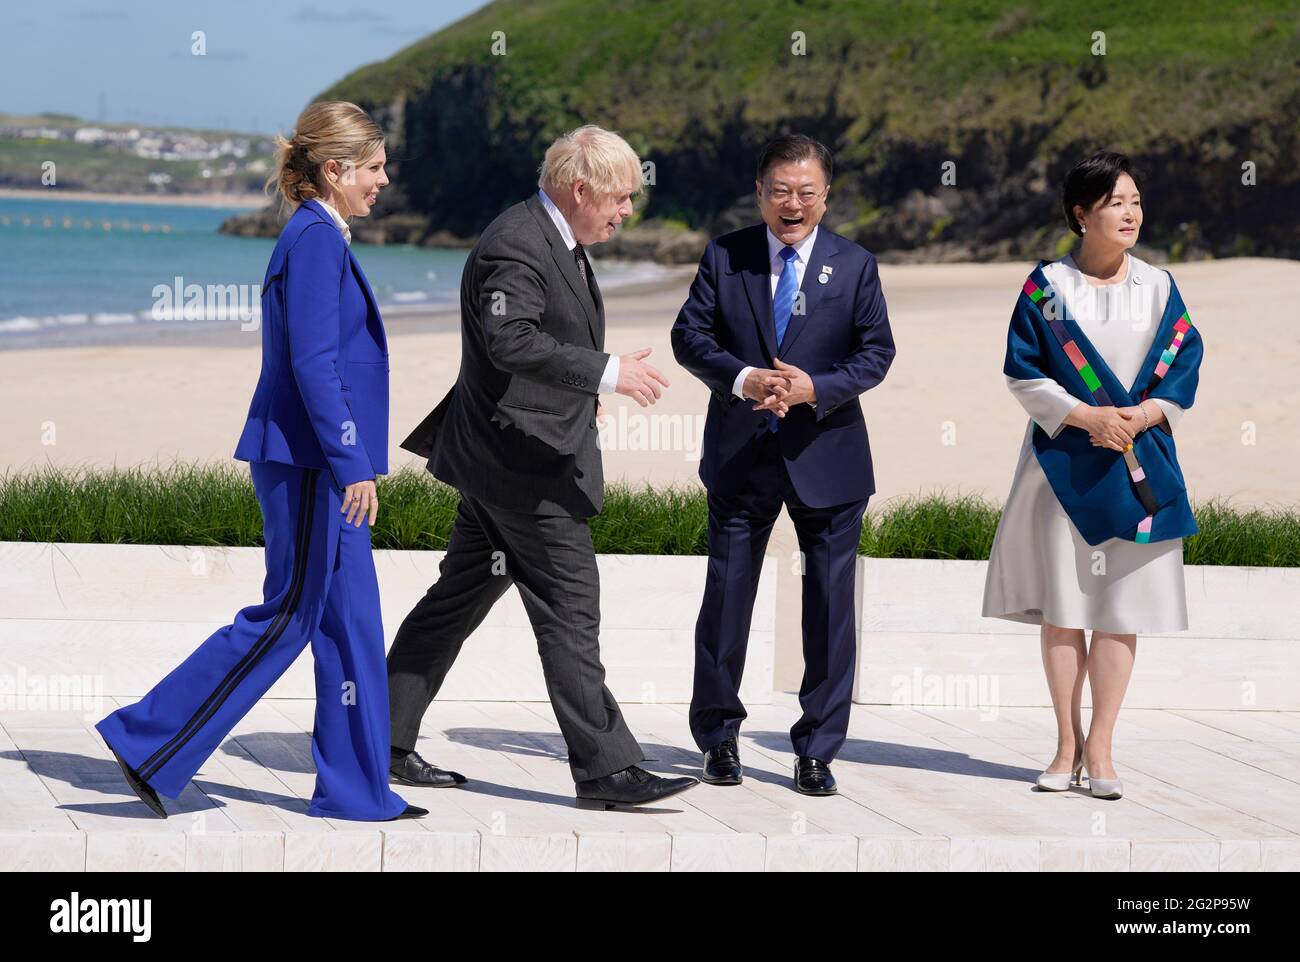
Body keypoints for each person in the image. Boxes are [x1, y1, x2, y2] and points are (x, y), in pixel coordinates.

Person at [95, 101, 423, 821]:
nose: (384, 180)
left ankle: (358, 791)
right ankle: (147, 739)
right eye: (374, 168)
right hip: (311, 463)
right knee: (288, 618)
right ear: (334, 171)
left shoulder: (321, 233)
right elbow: (312, 361)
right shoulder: (315, 240)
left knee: (353, 627)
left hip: (324, 464)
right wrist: (351, 461)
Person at [390, 125, 698, 809]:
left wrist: (582, 393)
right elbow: (510, 340)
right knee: (570, 607)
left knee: (455, 602)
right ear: (579, 189)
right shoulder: (517, 241)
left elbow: (541, 344)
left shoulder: (559, 239)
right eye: (618, 200)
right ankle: (606, 769)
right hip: (519, 465)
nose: (625, 213)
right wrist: (608, 374)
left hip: (509, 454)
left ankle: (377, 737)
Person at [670, 133, 896, 796]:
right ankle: (718, 740)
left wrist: (814, 389)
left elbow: (876, 353)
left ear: (826, 195)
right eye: (780, 190)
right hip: (742, 453)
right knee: (726, 602)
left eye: (806, 191)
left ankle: (817, 749)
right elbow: (690, 336)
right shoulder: (725, 255)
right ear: (760, 192)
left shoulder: (855, 266)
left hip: (827, 454)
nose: (792, 203)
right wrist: (743, 379)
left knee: (828, 612)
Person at [982, 151, 1204, 800]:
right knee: (1064, 608)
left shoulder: (1159, 287)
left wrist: (1140, 414)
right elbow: (1023, 371)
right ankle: (1065, 742)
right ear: (1082, 215)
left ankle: (1102, 747)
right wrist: (1084, 416)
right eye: (1114, 202)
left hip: (1136, 463)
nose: (1130, 212)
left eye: (1135, 200)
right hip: (1062, 467)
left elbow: (1183, 363)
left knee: (1119, 608)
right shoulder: (1047, 288)